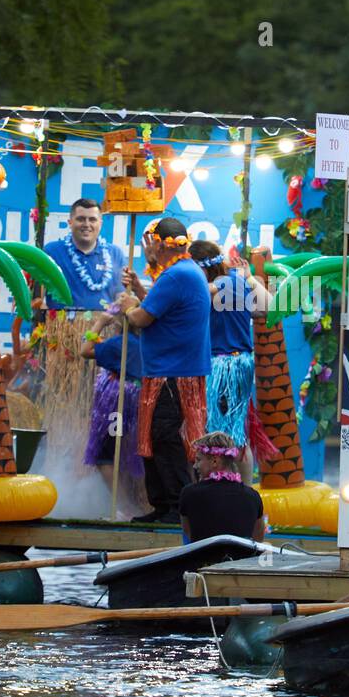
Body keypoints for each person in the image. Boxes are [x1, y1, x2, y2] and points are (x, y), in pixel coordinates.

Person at [115, 217, 211, 523]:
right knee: (157, 437)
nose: (146, 249)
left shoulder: (175, 276)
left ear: (159, 243)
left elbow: (143, 319)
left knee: (165, 437)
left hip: (172, 374)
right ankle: (163, 506)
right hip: (171, 371)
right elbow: (159, 307)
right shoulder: (182, 272)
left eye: (149, 243)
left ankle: (174, 507)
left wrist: (128, 306)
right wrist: (140, 289)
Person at [188, 240, 278, 481]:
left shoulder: (221, 284)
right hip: (237, 365)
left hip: (224, 368)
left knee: (222, 435)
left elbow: (270, 308)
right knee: (237, 434)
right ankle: (243, 493)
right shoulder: (237, 283)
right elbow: (267, 309)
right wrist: (248, 279)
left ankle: (233, 493)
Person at [78, 310, 146, 507]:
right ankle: (143, 505)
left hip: (118, 402)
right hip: (139, 401)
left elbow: (85, 350)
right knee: (132, 455)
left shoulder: (119, 343)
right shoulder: (147, 344)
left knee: (106, 457)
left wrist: (99, 323)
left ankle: (123, 507)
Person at [178, 431, 267, 544]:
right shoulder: (253, 496)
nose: (195, 466)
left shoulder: (189, 493)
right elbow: (258, 539)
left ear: (215, 461)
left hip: (204, 559)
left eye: (198, 460)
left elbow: (188, 533)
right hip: (241, 560)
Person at [44, 198, 128, 310]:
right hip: (61, 325)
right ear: (70, 222)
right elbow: (37, 292)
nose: (87, 224)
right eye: (81, 219)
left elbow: (120, 295)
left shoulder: (115, 253)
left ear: (100, 224)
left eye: (92, 220)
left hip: (105, 325)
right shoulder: (52, 251)